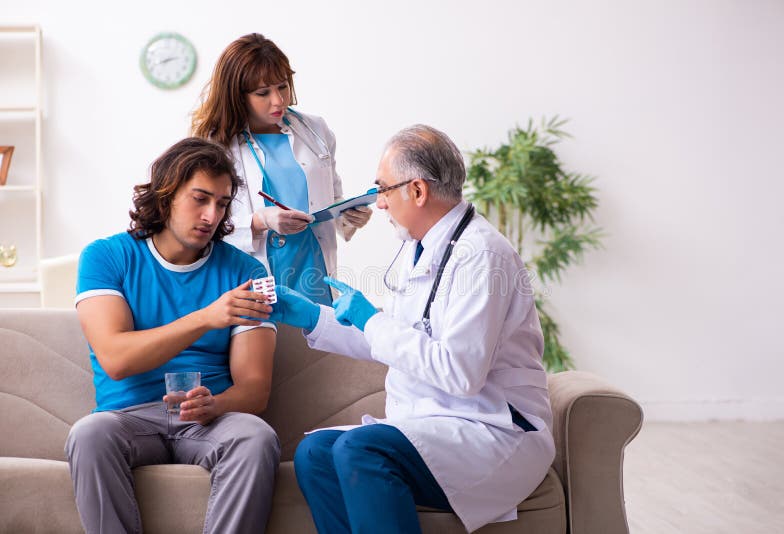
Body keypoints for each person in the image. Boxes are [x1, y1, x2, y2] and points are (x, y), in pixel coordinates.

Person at [269, 125, 556, 533]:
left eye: (383, 189)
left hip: (492, 430)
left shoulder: (482, 257)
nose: (379, 203)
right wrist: (313, 317)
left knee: (360, 449)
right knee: (315, 452)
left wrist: (371, 317)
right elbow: (402, 337)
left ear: (417, 191)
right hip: (437, 424)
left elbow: (459, 372)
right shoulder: (418, 247)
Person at [65, 138, 281, 534]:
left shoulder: (248, 273)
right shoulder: (106, 257)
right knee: (88, 435)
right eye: (200, 199)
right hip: (128, 417)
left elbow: (255, 389)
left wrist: (215, 405)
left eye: (221, 203)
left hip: (210, 418)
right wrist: (205, 318)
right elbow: (116, 359)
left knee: (255, 436)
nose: (211, 215)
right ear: (165, 197)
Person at [192, 33, 371, 306]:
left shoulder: (316, 130)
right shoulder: (215, 145)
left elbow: (331, 197)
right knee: (268, 338)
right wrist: (260, 220)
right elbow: (202, 223)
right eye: (263, 93)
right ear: (236, 95)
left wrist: (348, 215)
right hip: (254, 268)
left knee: (317, 338)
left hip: (313, 264)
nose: (278, 101)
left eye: (283, 86)